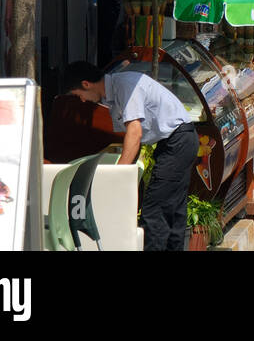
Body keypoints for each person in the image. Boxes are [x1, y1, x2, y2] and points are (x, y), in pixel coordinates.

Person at [64, 61, 196, 251]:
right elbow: (132, 135)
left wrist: (119, 174)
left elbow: (135, 132)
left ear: (86, 84)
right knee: (173, 211)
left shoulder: (124, 85)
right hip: (176, 142)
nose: (83, 101)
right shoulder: (113, 94)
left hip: (178, 142)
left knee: (154, 211)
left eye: (79, 95)